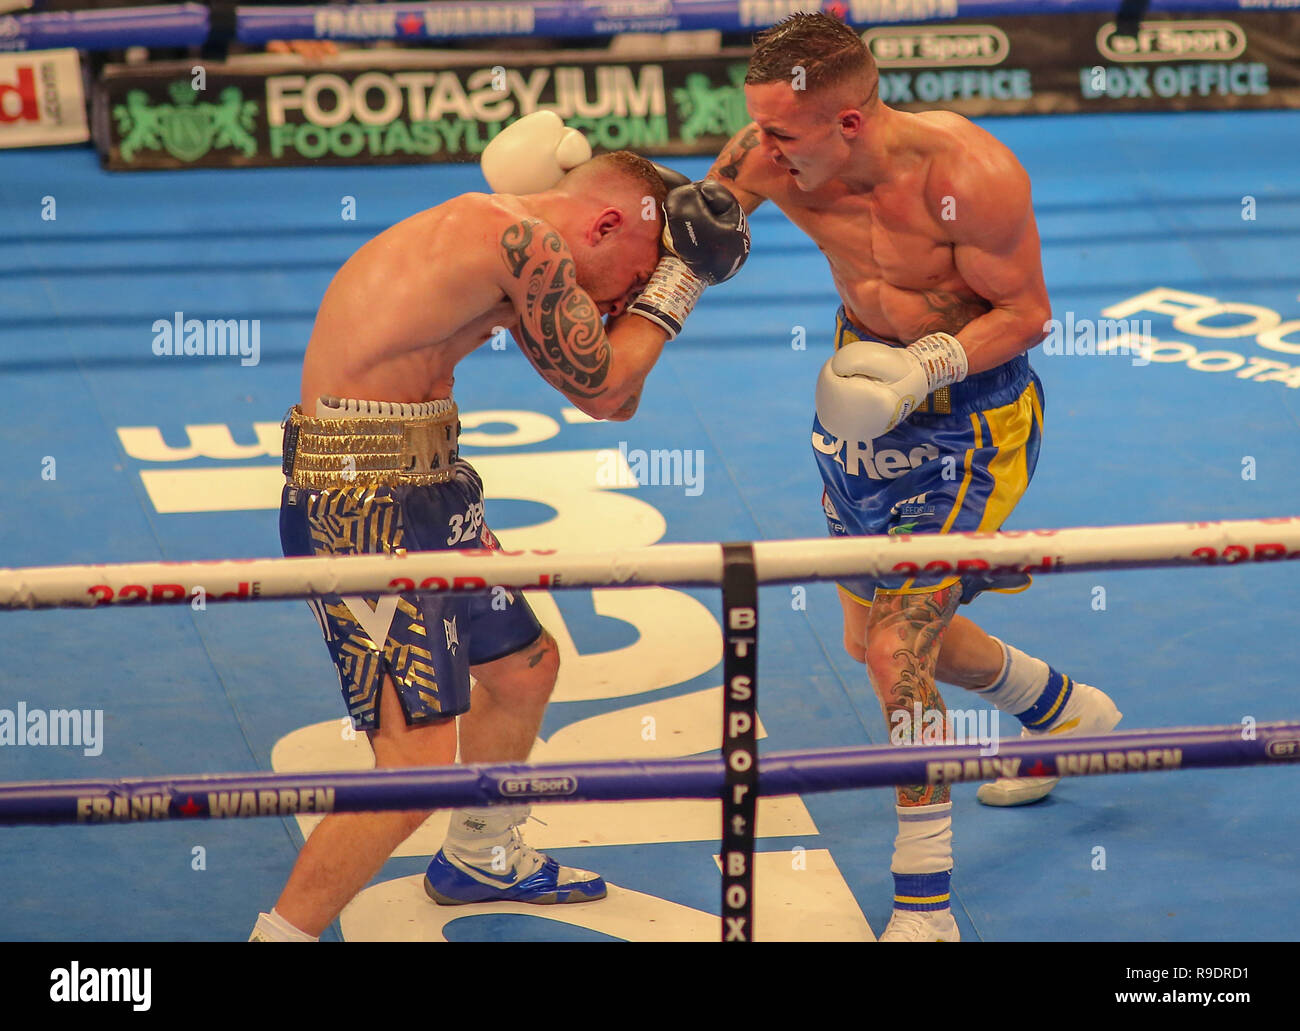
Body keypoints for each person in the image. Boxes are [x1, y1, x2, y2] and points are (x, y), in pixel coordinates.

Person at [250, 116, 749, 941]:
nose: (625, 296)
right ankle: (280, 936)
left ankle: (480, 853)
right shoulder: (523, 248)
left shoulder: (521, 251)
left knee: (524, 667)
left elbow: (615, 393)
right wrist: (678, 286)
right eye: (631, 274)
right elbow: (602, 387)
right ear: (605, 223)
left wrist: (659, 286)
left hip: (429, 487)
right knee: (411, 769)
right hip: (358, 500)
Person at [706, 13, 1121, 941]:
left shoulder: (968, 178)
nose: (760, 152)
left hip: (970, 422)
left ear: (848, 123)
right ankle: (1070, 714)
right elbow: (694, 236)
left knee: (899, 648)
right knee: (871, 641)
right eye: (758, 128)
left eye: (781, 133)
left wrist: (926, 365)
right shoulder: (770, 157)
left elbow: (1026, 312)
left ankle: (925, 903)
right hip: (856, 405)